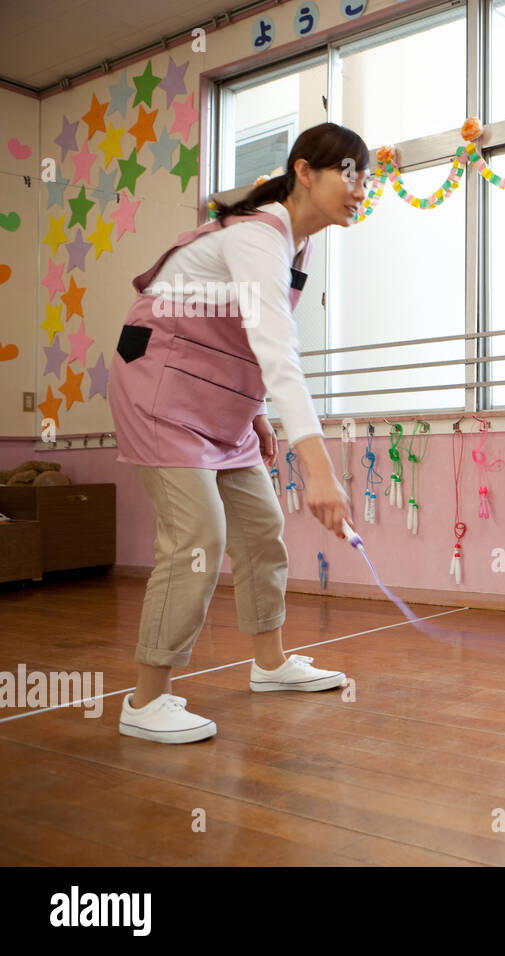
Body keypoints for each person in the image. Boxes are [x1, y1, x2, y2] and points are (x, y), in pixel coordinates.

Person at [108, 123, 370, 743]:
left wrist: (252, 412)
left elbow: (242, 341)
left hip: (220, 404)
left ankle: (271, 663)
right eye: (349, 173)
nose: (361, 189)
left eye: (368, 178)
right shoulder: (258, 235)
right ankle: (147, 698)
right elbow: (279, 349)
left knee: (259, 527)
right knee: (199, 533)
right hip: (159, 389)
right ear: (304, 171)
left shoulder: (297, 249)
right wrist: (320, 469)